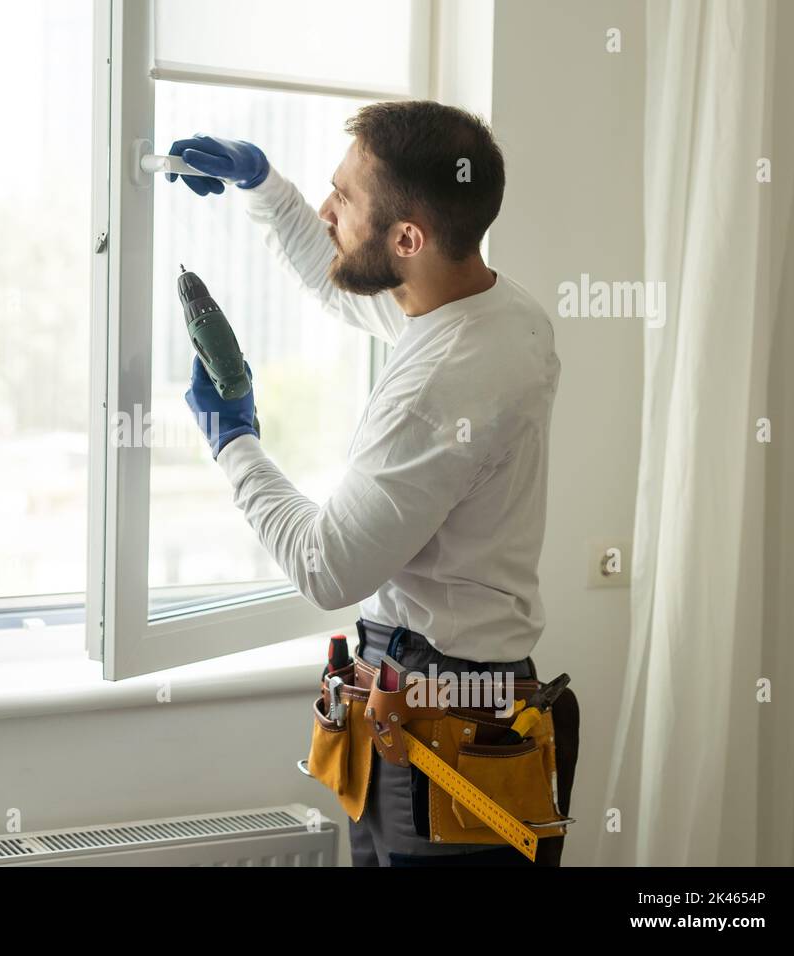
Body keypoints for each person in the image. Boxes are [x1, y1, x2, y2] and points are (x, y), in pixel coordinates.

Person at [170, 101, 563, 866]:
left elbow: (327, 567)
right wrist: (265, 185)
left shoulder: (441, 386)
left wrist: (233, 439)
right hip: (449, 702)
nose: (327, 209)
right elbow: (344, 282)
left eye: (342, 198)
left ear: (408, 238)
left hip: (445, 725)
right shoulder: (495, 311)